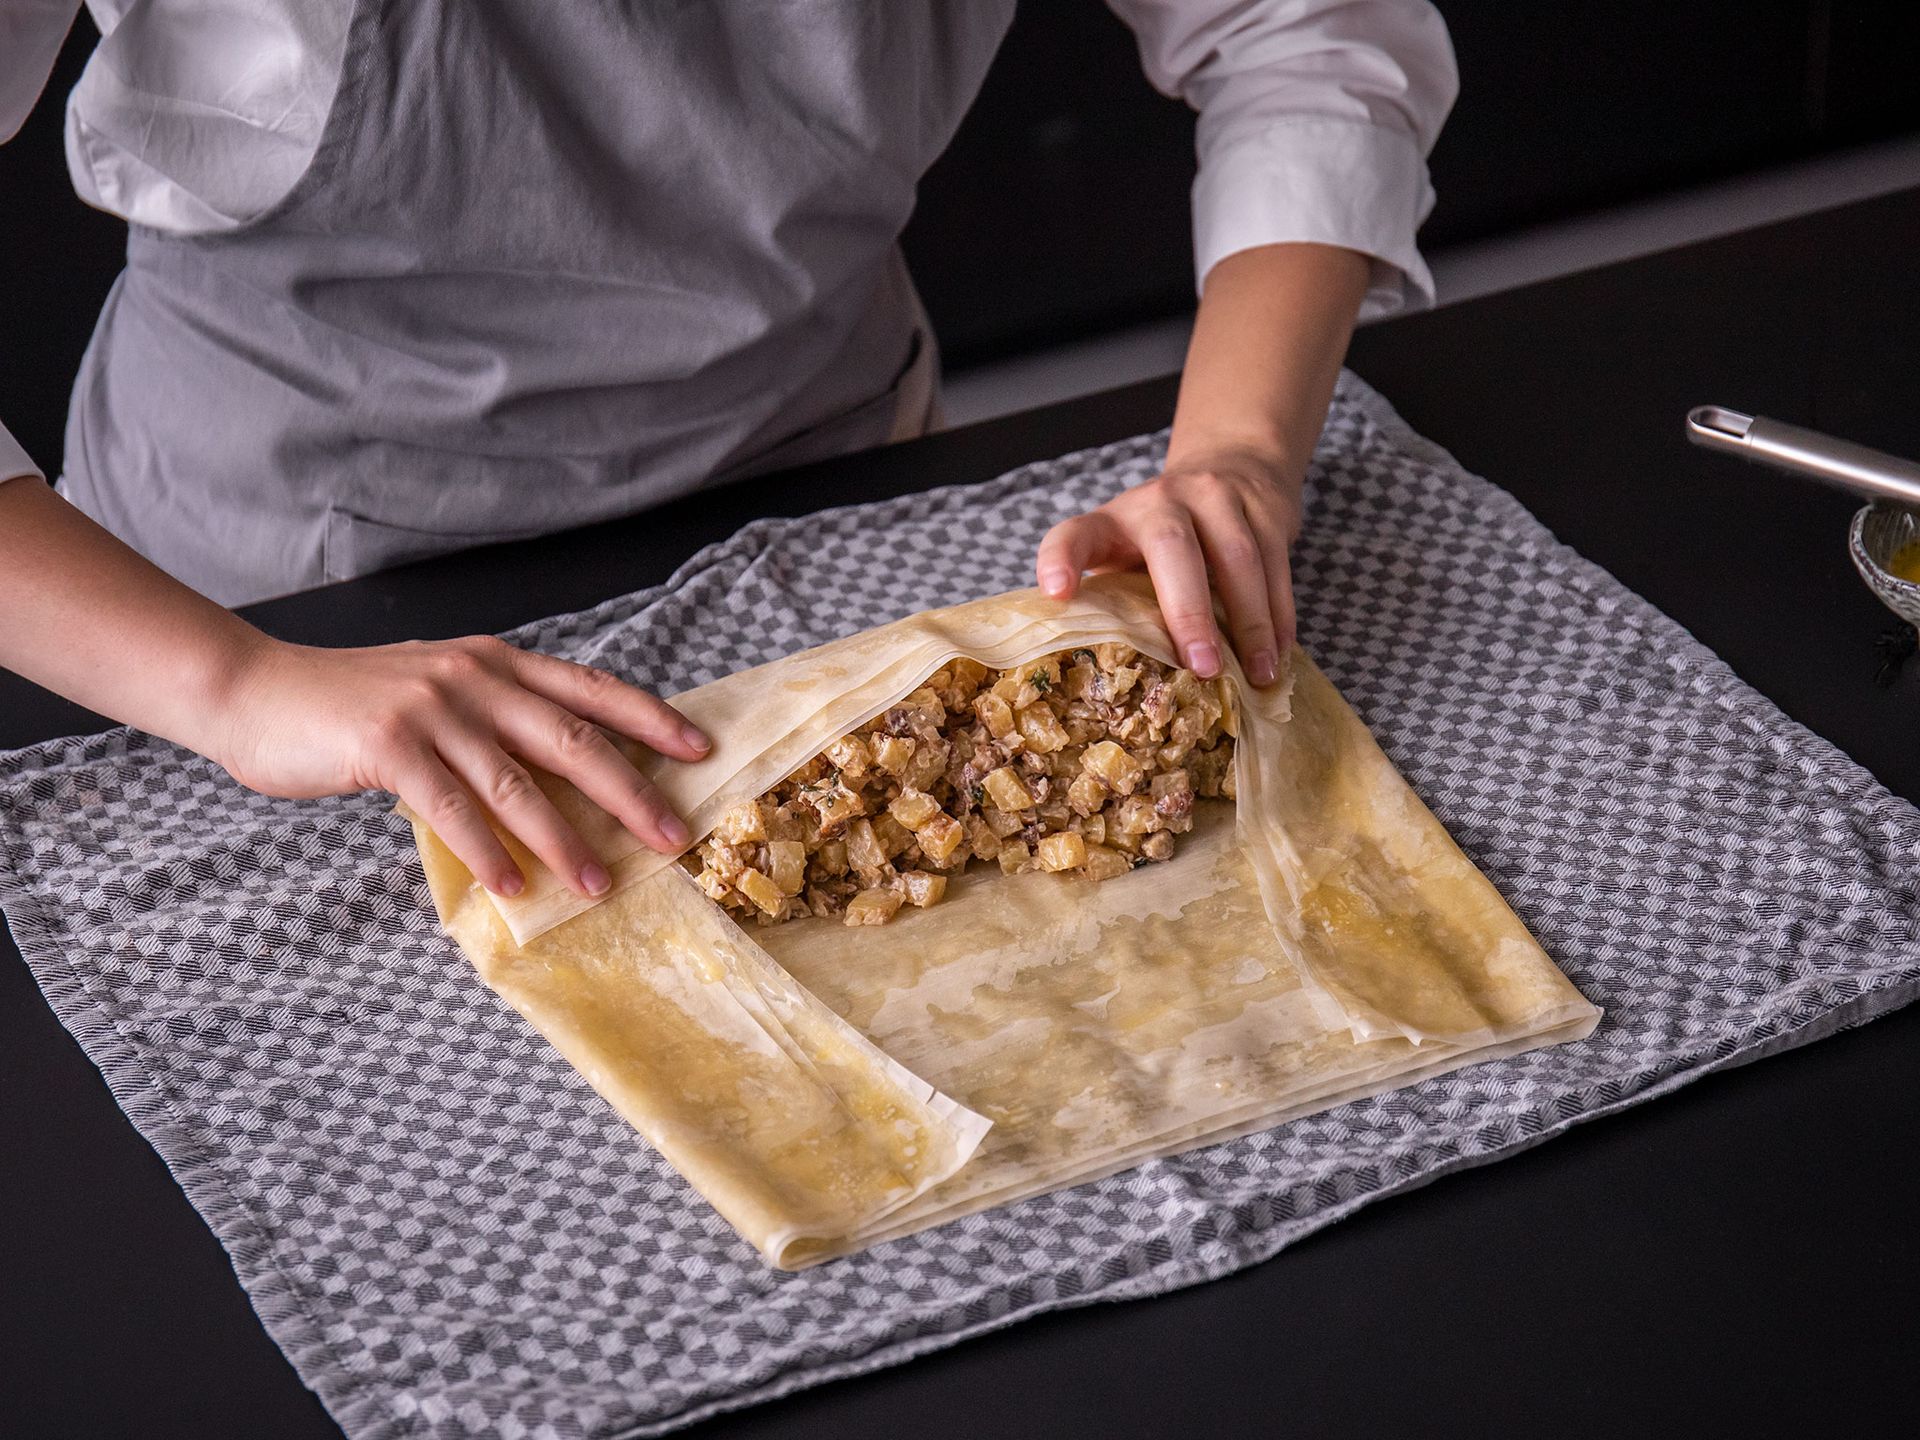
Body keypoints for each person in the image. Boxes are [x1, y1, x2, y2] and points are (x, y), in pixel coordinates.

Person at [0, 2, 1456, 903]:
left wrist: (1242, 454)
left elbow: (1303, 33)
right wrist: (240, 686)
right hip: (269, 603)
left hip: (838, 501)